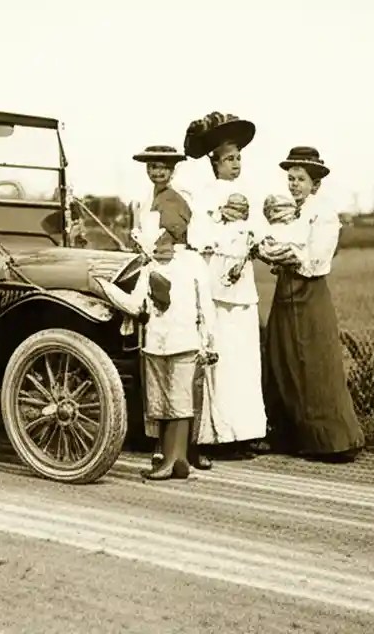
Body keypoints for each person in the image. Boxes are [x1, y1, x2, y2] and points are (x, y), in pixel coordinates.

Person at [94, 144, 217, 480]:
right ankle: (171, 457)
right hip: (160, 338)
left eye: (163, 168)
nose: (157, 173)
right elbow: (139, 301)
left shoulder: (184, 260)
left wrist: (208, 341)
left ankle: (174, 457)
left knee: (176, 395)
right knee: (162, 396)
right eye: (153, 168)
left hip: (180, 338)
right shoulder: (153, 260)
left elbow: (202, 304)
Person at [257, 146, 365, 463]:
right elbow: (277, 246)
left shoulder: (324, 214)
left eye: (300, 180)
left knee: (314, 362)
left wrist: (284, 254)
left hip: (309, 291)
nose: (294, 185)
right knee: (282, 356)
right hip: (286, 290)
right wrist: (272, 251)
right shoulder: (293, 212)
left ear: (315, 184)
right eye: (291, 179)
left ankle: (332, 441)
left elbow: (317, 260)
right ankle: (289, 435)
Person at [181, 112, 269, 460]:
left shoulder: (248, 194)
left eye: (239, 158)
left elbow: (260, 234)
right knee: (222, 359)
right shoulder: (204, 196)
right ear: (214, 162)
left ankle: (245, 433)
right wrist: (220, 220)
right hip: (217, 282)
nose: (235, 165)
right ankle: (217, 434)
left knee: (244, 360)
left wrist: (253, 240)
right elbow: (197, 237)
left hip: (242, 284)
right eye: (229, 159)